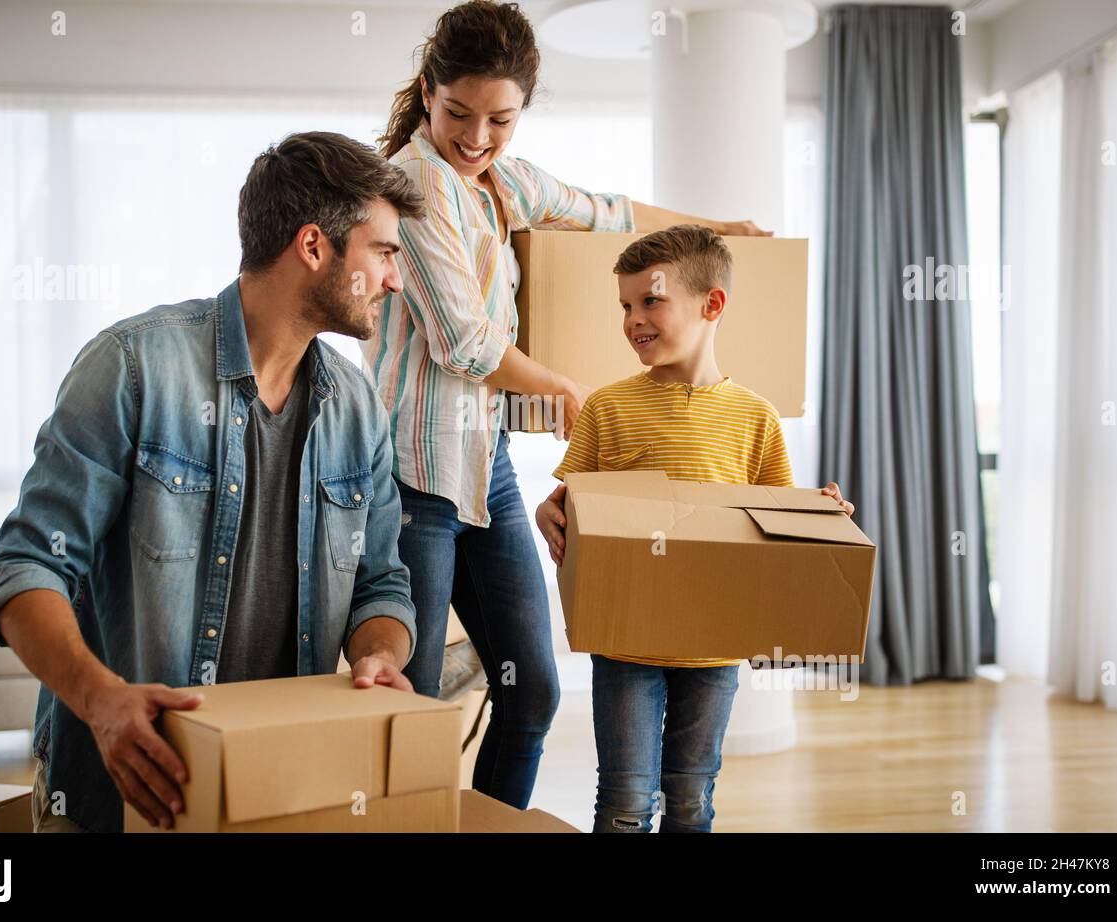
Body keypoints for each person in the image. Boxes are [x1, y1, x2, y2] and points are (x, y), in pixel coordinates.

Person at [365, 0, 773, 809]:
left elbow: (607, 212)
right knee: (406, 714)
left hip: (487, 471)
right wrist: (556, 385)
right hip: (413, 479)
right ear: (427, 90)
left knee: (534, 692)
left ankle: (489, 833)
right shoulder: (412, 184)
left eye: (500, 121)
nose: (477, 138)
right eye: (458, 114)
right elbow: (466, 343)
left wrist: (714, 228)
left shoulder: (502, 184)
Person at [0, 132, 424, 833]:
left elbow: (382, 585)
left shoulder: (358, 406)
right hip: (114, 795)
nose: (397, 280)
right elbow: (24, 568)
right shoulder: (133, 369)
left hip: (277, 790)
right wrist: (101, 702)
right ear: (314, 247)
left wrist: (378, 655)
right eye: (385, 253)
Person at [535, 225, 855, 832]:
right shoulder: (608, 407)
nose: (633, 320)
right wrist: (543, 511)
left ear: (712, 304)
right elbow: (571, 501)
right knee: (625, 801)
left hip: (713, 645)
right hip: (625, 640)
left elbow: (775, 520)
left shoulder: (755, 416)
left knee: (690, 796)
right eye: (625, 307)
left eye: (650, 301)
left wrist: (822, 514)